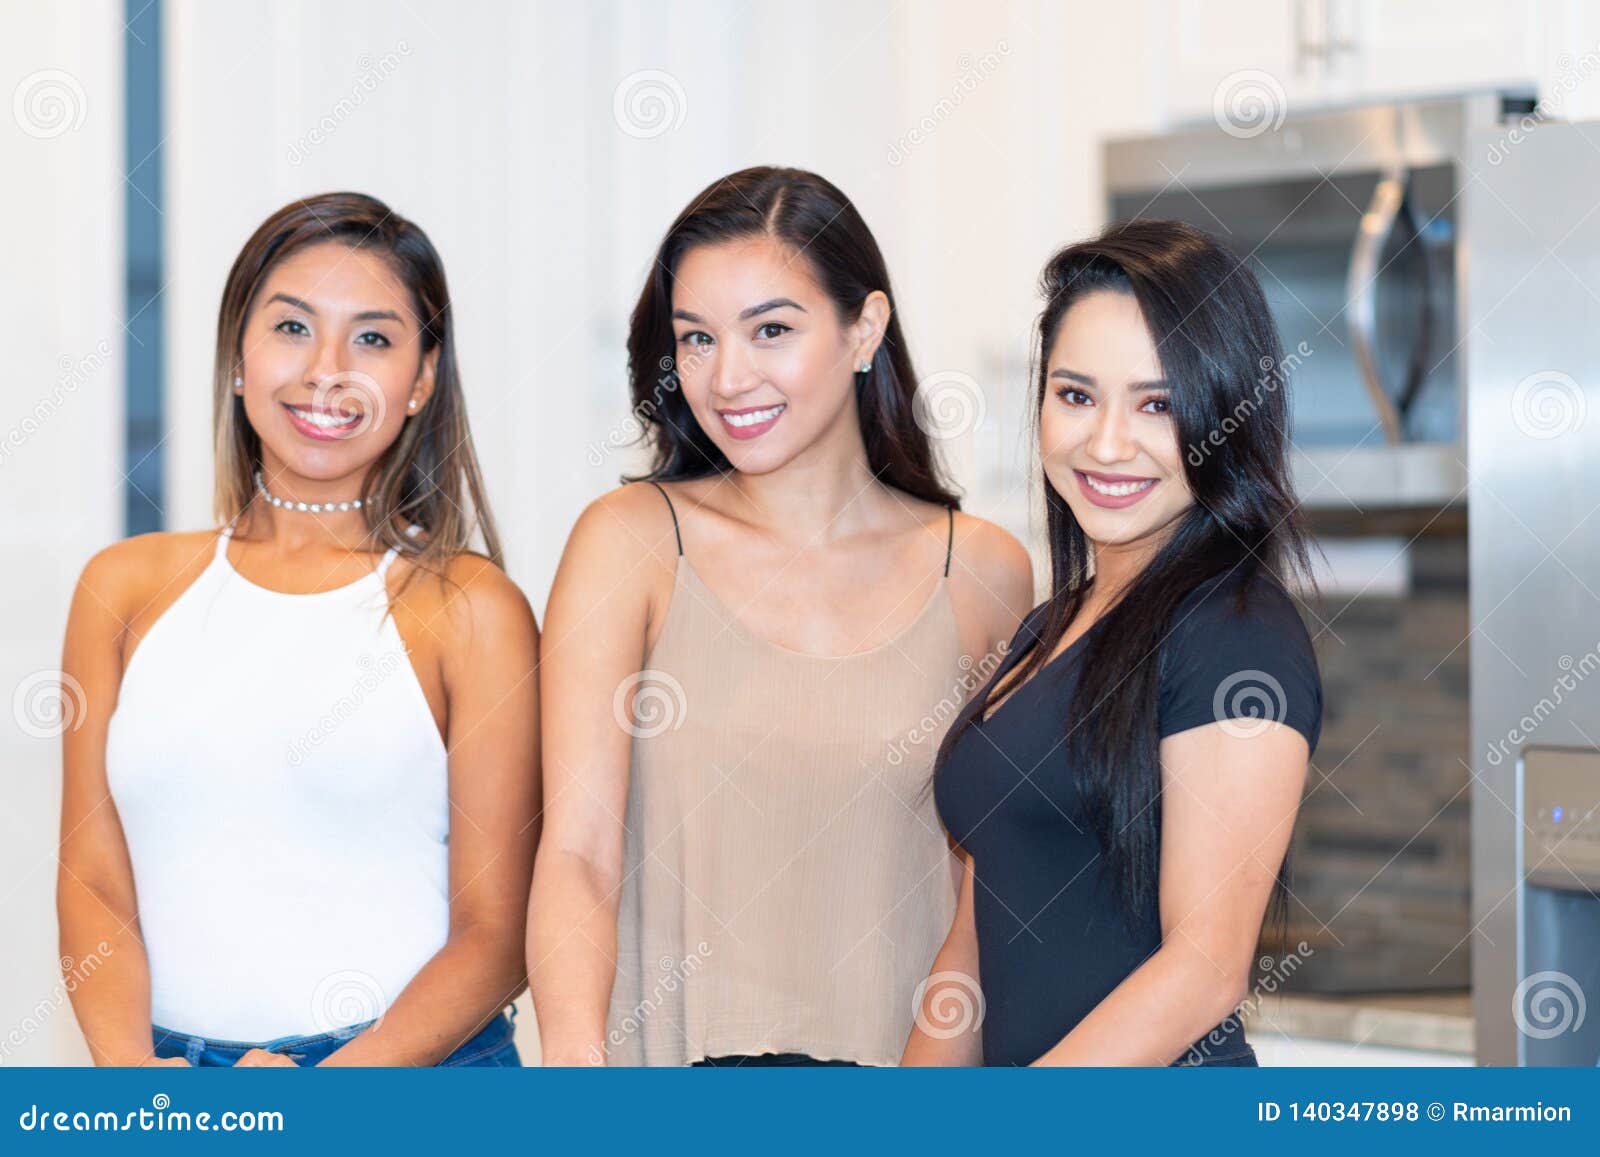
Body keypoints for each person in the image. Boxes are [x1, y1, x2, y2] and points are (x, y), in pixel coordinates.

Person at [528, 167, 1032, 1066]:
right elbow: (578, 853)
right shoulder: (632, 543)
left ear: (863, 328)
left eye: (771, 329)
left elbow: (981, 891)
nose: (727, 377)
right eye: (696, 338)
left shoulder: (983, 570)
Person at [58, 192, 539, 1067]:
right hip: (169, 1083)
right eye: (291, 328)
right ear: (238, 357)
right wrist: (136, 1082)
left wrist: (321, 1100)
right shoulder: (120, 589)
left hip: (410, 1081)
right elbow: (93, 877)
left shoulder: (471, 607)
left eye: (373, 338)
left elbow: (498, 931)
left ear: (421, 380)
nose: (327, 369)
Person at [908, 220, 1322, 1067]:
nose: (1105, 443)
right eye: (1076, 395)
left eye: (1158, 403)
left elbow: (1204, 968)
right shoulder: (1049, 628)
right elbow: (972, 947)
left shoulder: (1237, 633)